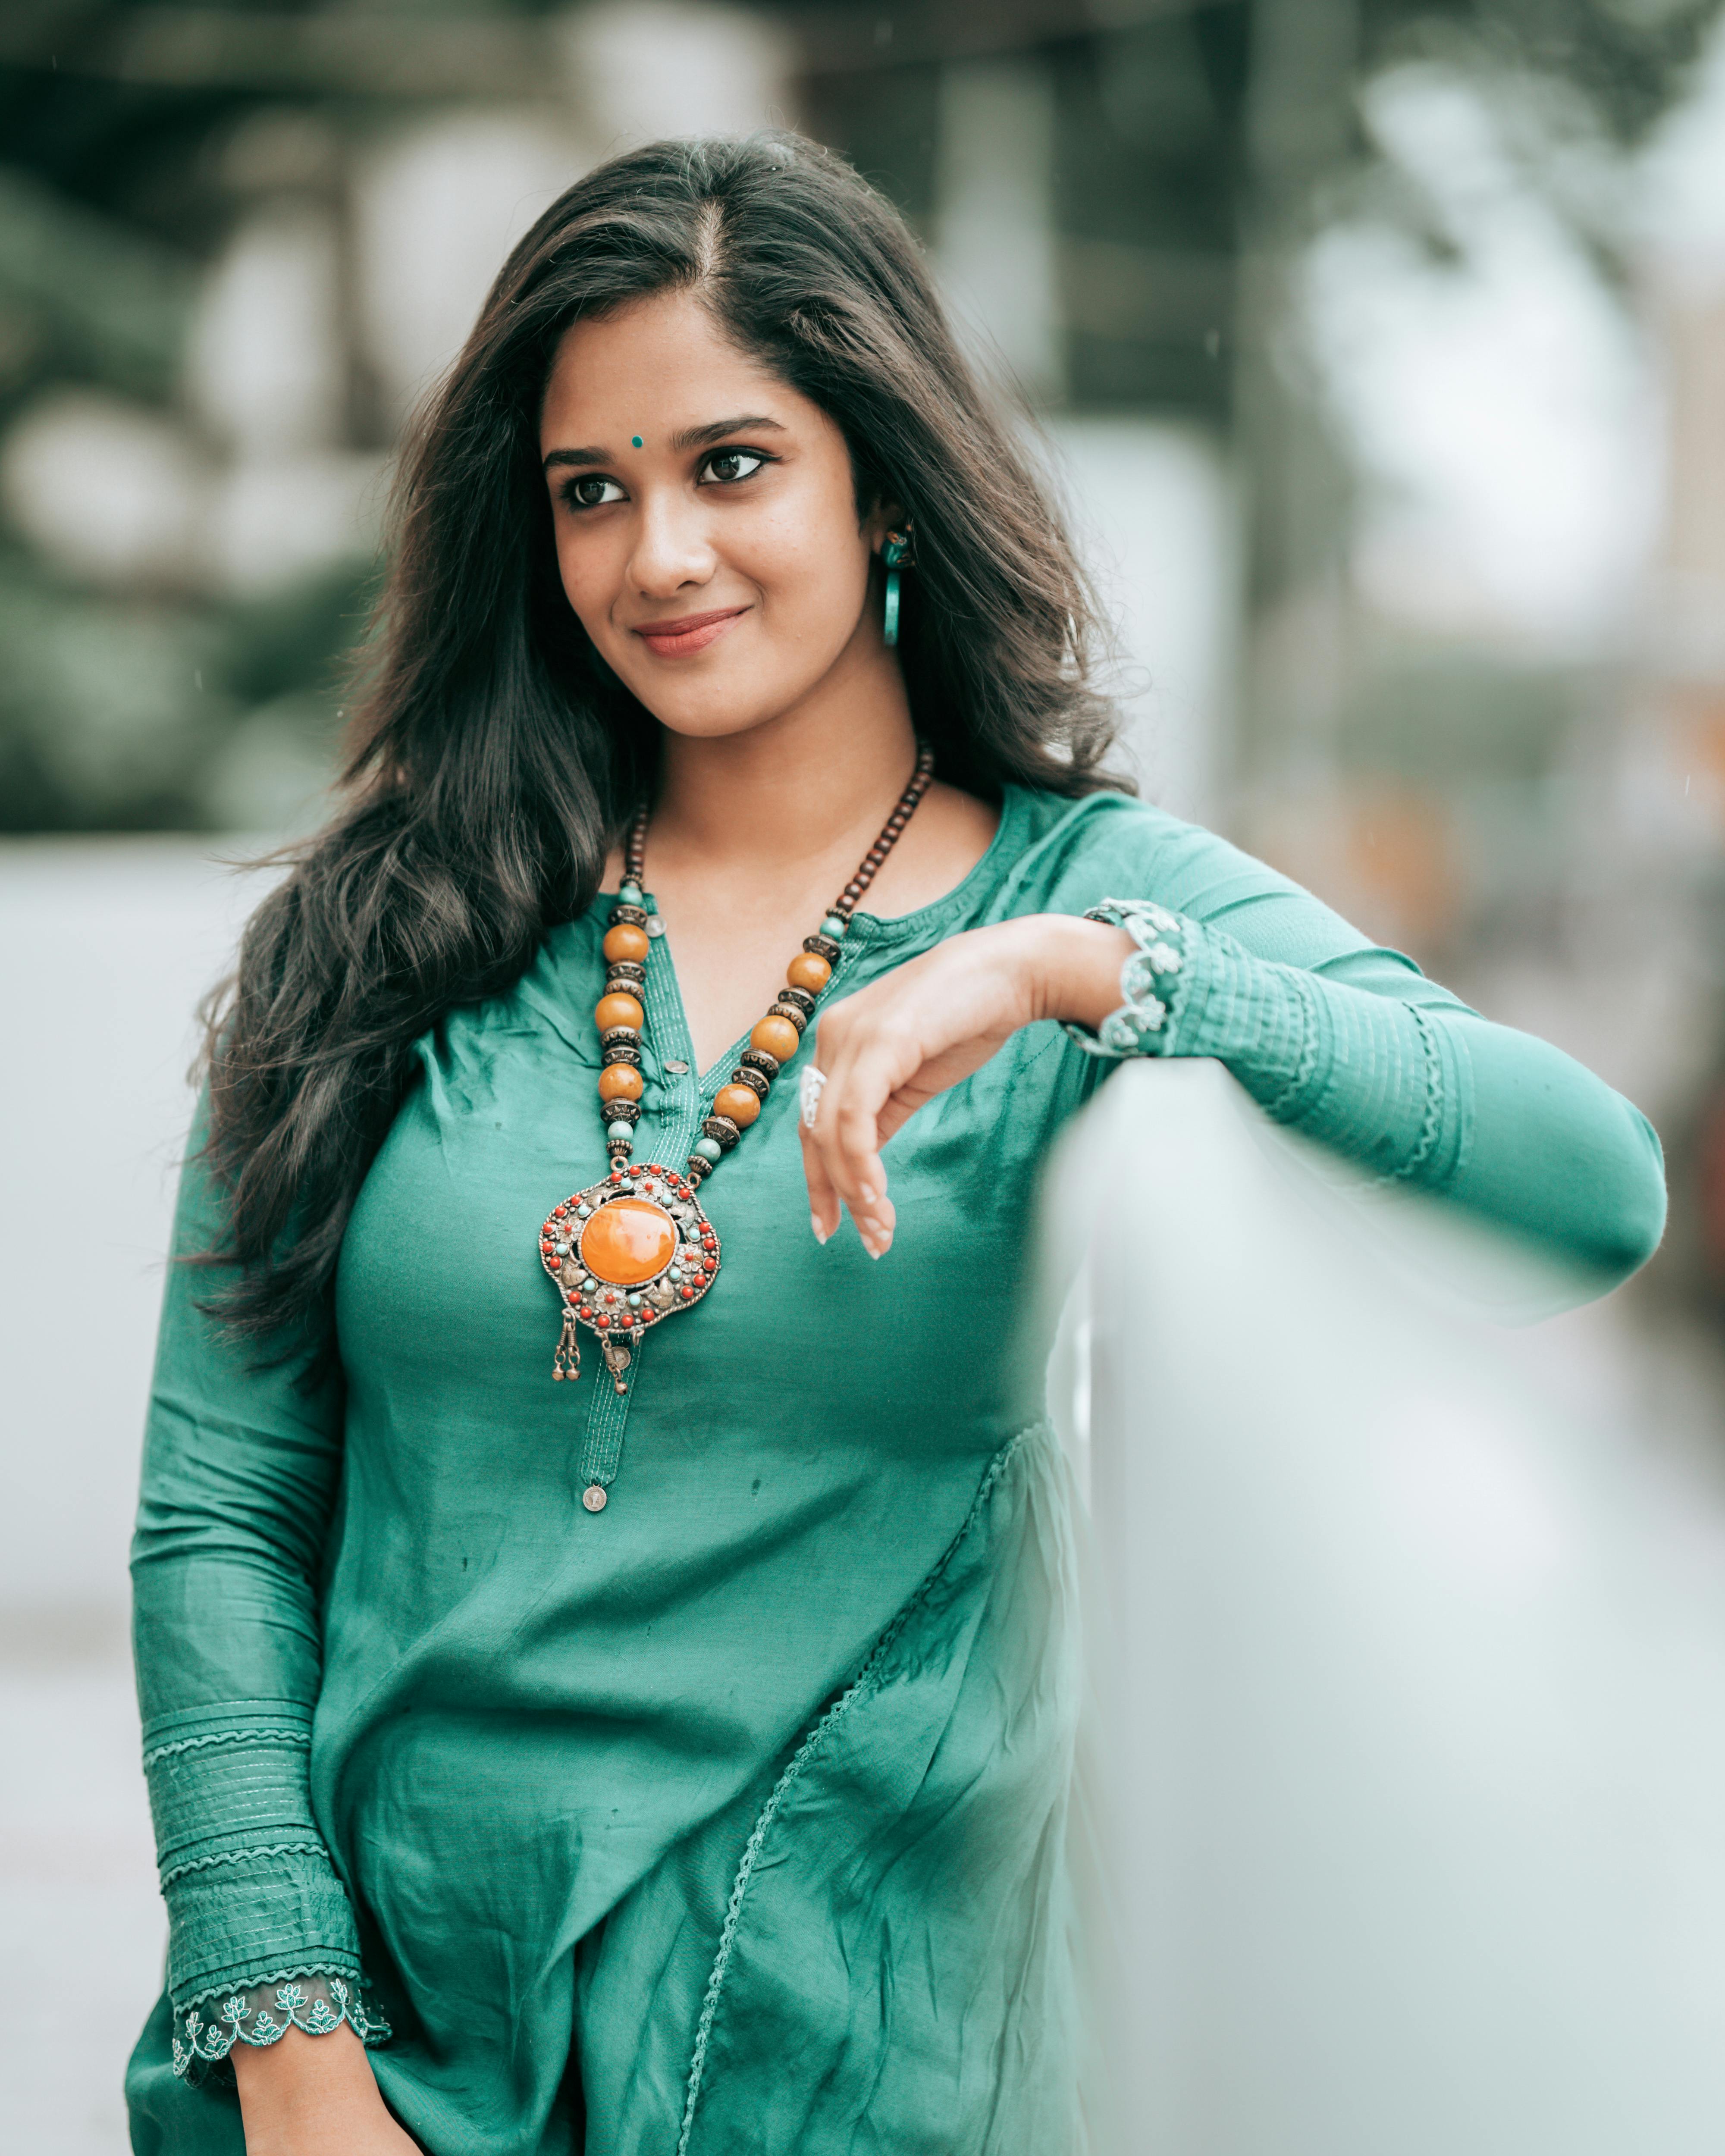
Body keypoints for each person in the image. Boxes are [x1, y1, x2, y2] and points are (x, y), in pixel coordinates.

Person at [125, 133, 1665, 2156]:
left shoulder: (1084, 895)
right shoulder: (385, 928)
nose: (658, 552)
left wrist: (1097, 971)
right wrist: (299, 2062)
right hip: (393, 2039)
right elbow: (219, 1513)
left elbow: (1589, 1190)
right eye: (594, 490)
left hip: (855, 2048)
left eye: (732, 464)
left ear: (881, 476)